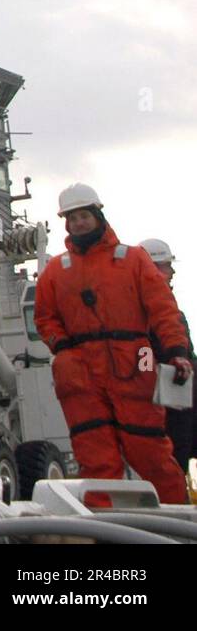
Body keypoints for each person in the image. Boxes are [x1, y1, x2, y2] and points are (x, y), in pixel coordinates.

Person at [34, 184, 192, 503]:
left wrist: (178, 352)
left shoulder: (132, 260)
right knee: (96, 460)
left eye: (83, 215)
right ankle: (105, 531)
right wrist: (62, 348)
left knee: (150, 451)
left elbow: (163, 308)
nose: (78, 223)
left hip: (135, 365)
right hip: (81, 372)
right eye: (72, 217)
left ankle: (180, 524)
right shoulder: (55, 271)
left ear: (98, 215)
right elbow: (45, 318)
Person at [140, 238, 194, 480]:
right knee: (172, 461)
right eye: (165, 266)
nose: (171, 272)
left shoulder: (169, 310)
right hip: (167, 404)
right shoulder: (141, 315)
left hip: (180, 399)